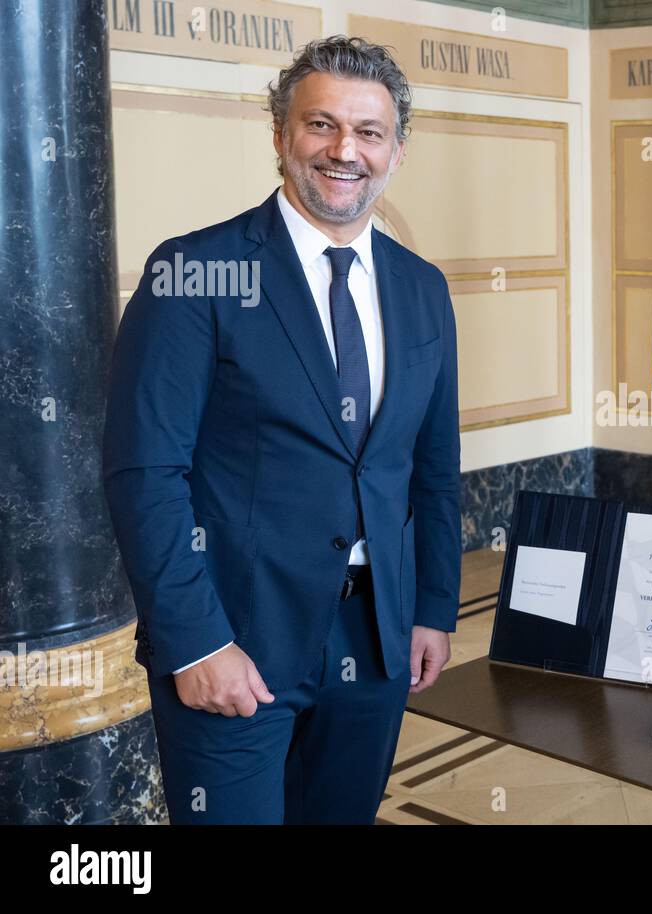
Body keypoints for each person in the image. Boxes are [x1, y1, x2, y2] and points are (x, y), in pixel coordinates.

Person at [102, 36, 461, 824]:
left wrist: (432, 605)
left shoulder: (424, 289)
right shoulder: (193, 272)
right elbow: (143, 473)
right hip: (236, 639)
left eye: (369, 132)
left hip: (375, 640)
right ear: (280, 136)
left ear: (397, 151)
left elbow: (432, 469)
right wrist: (196, 644)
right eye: (320, 125)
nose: (344, 151)